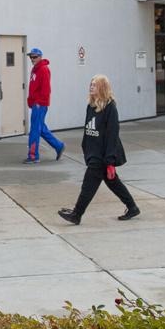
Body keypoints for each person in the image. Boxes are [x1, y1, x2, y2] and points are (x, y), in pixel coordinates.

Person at [58, 75, 140, 224]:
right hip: (93, 153)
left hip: (102, 156)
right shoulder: (91, 105)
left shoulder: (110, 108)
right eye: (91, 84)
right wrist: (85, 149)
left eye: (95, 85)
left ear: (102, 87)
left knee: (88, 186)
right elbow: (87, 130)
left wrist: (109, 161)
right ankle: (132, 207)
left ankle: (76, 215)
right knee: (113, 183)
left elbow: (112, 136)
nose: (91, 87)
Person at [23, 48, 65, 164]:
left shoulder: (44, 69)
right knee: (41, 129)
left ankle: (33, 156)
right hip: (36, 104)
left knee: (35, 130)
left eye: (35, 57)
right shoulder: (35, 69)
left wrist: (38, 103)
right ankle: (59, 146)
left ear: (40, 57)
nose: (32, 59)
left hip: (40, 105)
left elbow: (46, 90)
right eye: (31, 57)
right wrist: (31, 101)